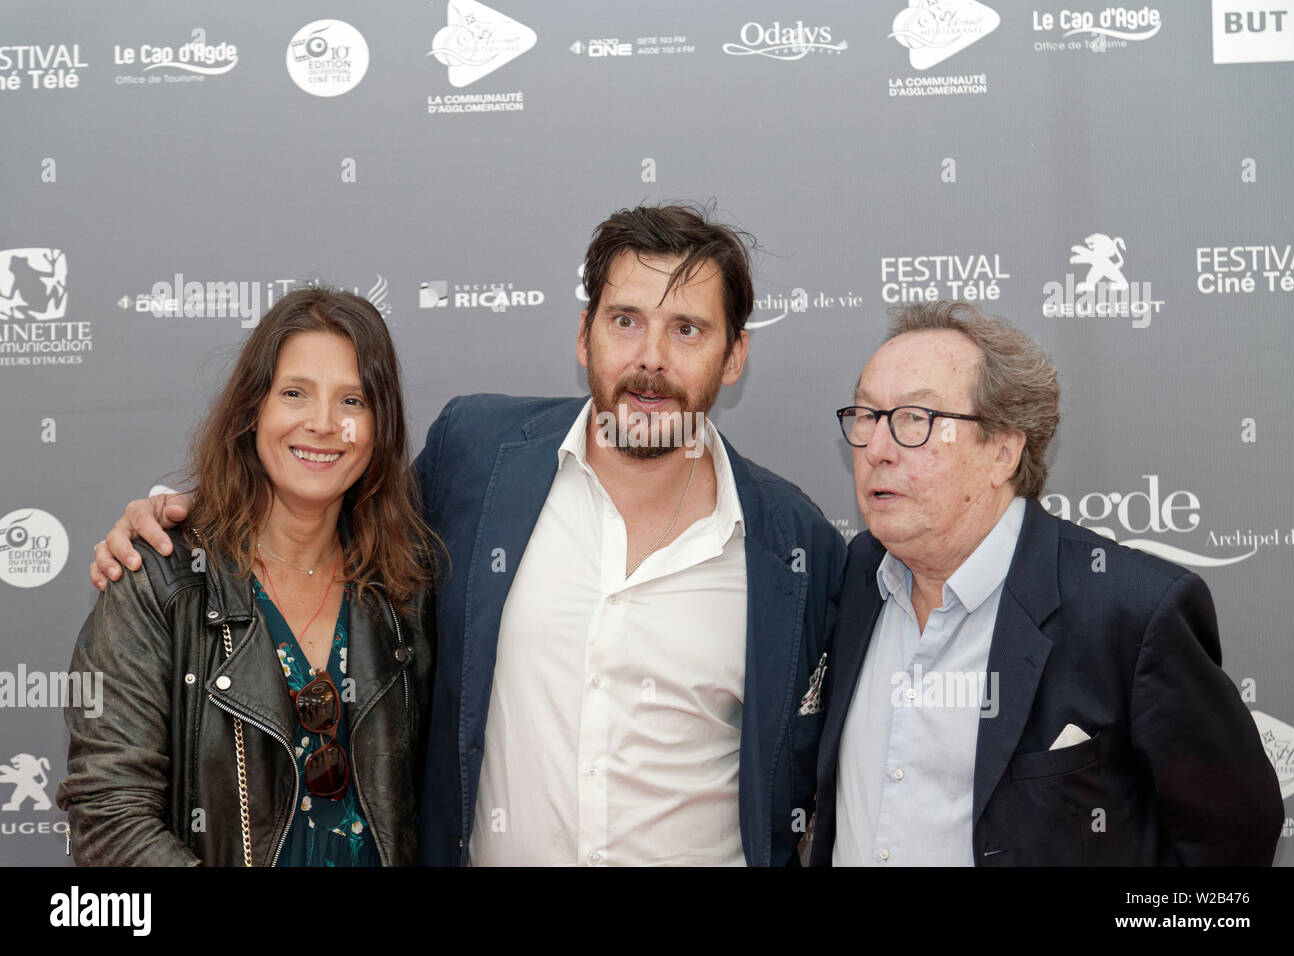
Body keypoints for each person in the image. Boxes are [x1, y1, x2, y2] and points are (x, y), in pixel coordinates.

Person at [91, 203, 846, 866]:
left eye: (687, 329)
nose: (650, 358)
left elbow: (810, 781)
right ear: (584, 335)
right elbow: (327, 505)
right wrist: (175, 517)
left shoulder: (796, 547)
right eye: (626, 321)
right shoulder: (479, 458)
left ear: (735, 354)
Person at [811, 300, 1283, 866]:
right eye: (865, 417)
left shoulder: (1131, 611)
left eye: (916, 419)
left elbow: (1231, 843)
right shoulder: (850, 579)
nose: (877, 451)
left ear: (1003, 451)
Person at [61, 288, 438, 866]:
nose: (323, 423)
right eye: (294, 393)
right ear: (251, 409)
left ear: (379, 427)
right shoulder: (160, 580)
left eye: (353, 401)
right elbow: (108, 817)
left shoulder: (403, 590)